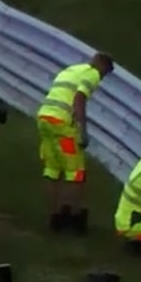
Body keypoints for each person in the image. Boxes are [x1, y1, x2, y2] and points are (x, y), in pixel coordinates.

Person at [36, 52, 112, 234]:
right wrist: (83, 130)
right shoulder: (92, 73)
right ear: (102, 65)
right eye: (105, 74)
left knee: (52, 170)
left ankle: (54, 218)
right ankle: (72, 218)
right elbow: (79, 99)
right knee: (76, 172)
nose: (102, 78)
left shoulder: (72, 69)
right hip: (62, 125)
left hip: (45, 119)